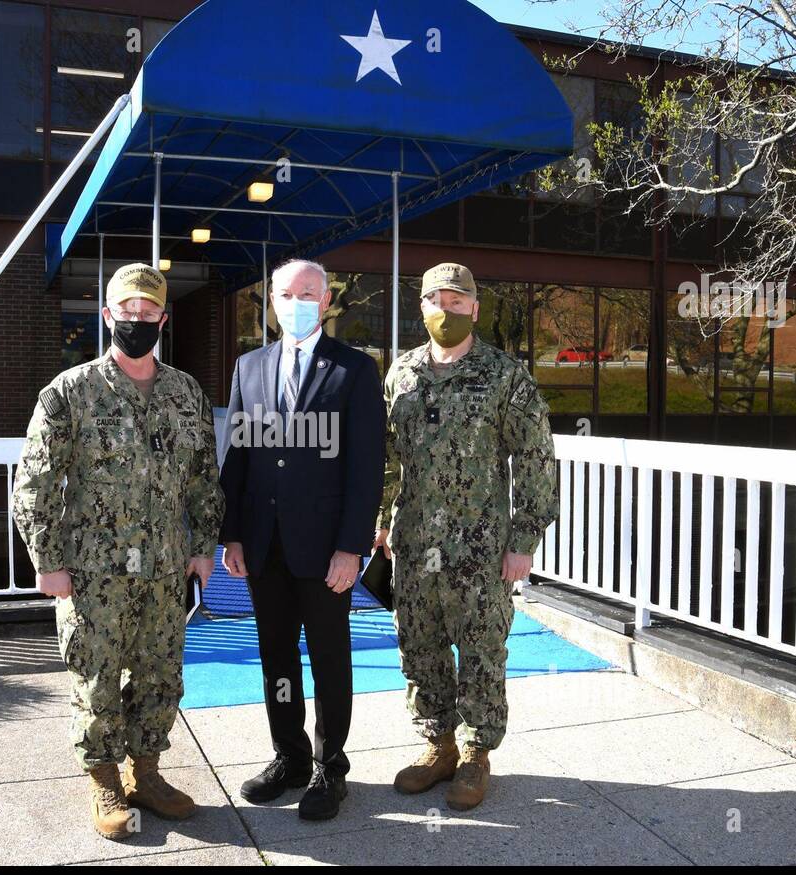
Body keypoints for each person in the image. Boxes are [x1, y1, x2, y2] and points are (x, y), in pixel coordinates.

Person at [12, 262, 223, 841]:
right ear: (108, 315)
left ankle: (147, 774)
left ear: (163, 317)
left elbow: (205, 477)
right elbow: (33, 483)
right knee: (97, 677)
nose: (137, 319)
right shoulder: (69, 393)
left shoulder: (186, 394)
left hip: (163, 569)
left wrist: (203, 547)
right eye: (126, 310)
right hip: (92, 573)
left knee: (161, 676)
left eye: (148, 311)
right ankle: (104, 778)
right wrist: (48, 561)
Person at [374, 262, 558, 811]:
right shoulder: (401, 374)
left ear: (475, 309)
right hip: (413, 544)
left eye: (457, 302)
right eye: (436, 301)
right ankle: (439, 747)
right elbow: (386, 459)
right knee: (420, 647)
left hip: (479, 547)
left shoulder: (505, 376)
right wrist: (381, 520)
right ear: (422, 307)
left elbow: (535, 458)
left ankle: (477, 753)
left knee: (481, 652)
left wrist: (524, 538)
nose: (446, 311)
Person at [219, 258, 385, 821]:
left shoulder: (356, 370)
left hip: (327, 551)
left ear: (328, 298)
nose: (297, 302)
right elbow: (238, 458)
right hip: (265, 545)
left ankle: (328, 767)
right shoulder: (248, 366)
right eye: (287, 293)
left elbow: (366, 468)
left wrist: (352, 547)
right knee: (278, 659)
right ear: (271, 298)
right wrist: (233, 535)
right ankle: (288, 756)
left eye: (309, 293)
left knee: (330, 660)